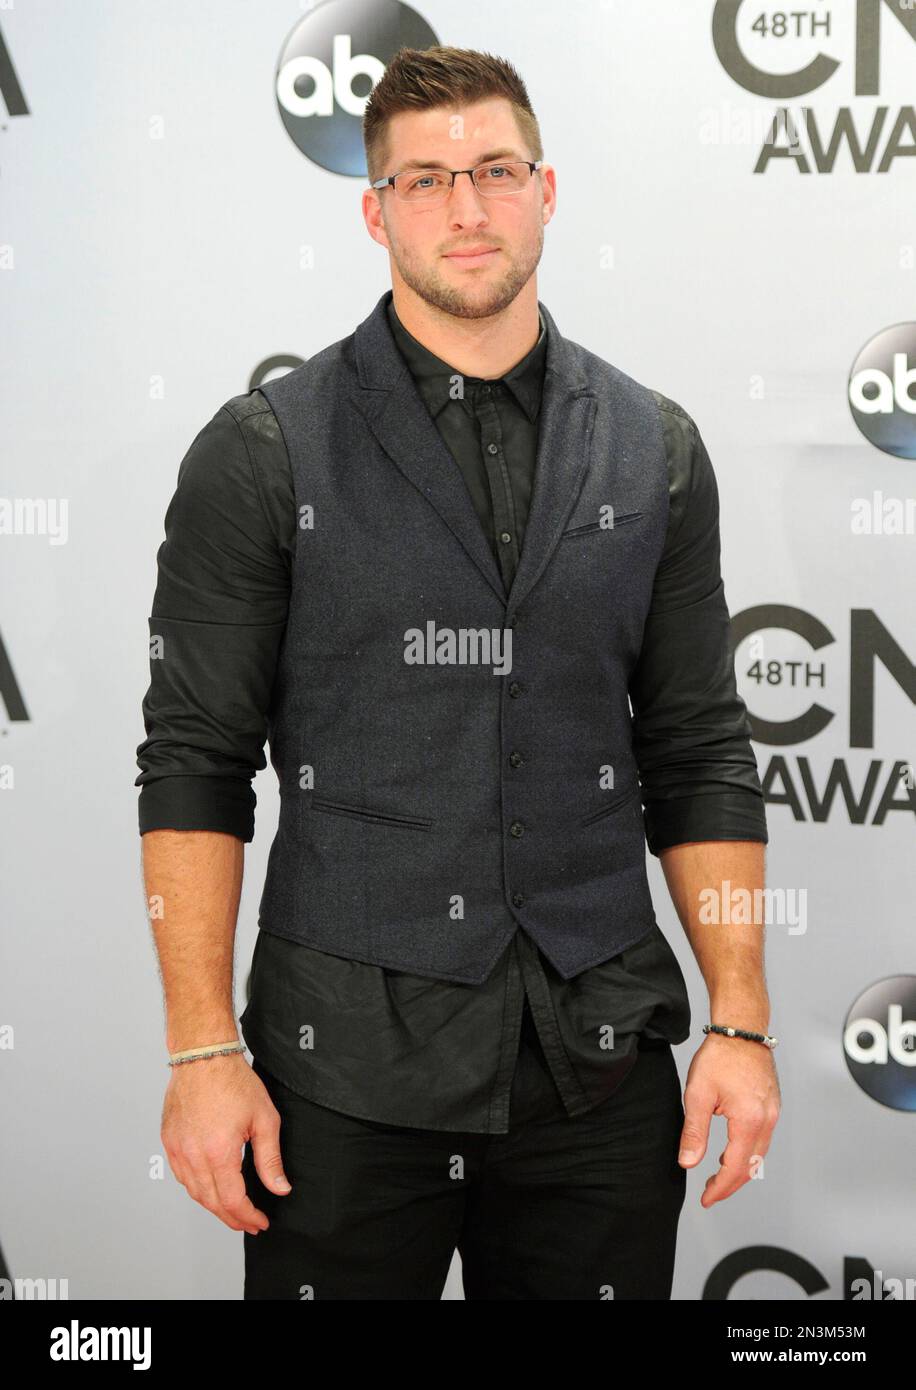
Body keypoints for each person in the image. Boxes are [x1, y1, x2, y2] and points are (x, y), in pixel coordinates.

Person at [136, 45, 780, 1301]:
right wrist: (202, 1049)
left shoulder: (653, 445)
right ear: (374, 211)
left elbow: (699, 749)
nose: (467, 207)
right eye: (425, 181)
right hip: (343, 1077)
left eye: (494, 170)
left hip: (598, 1063)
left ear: (548, 190)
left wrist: (741, 1019)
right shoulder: (264, 451)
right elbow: (196, 768)